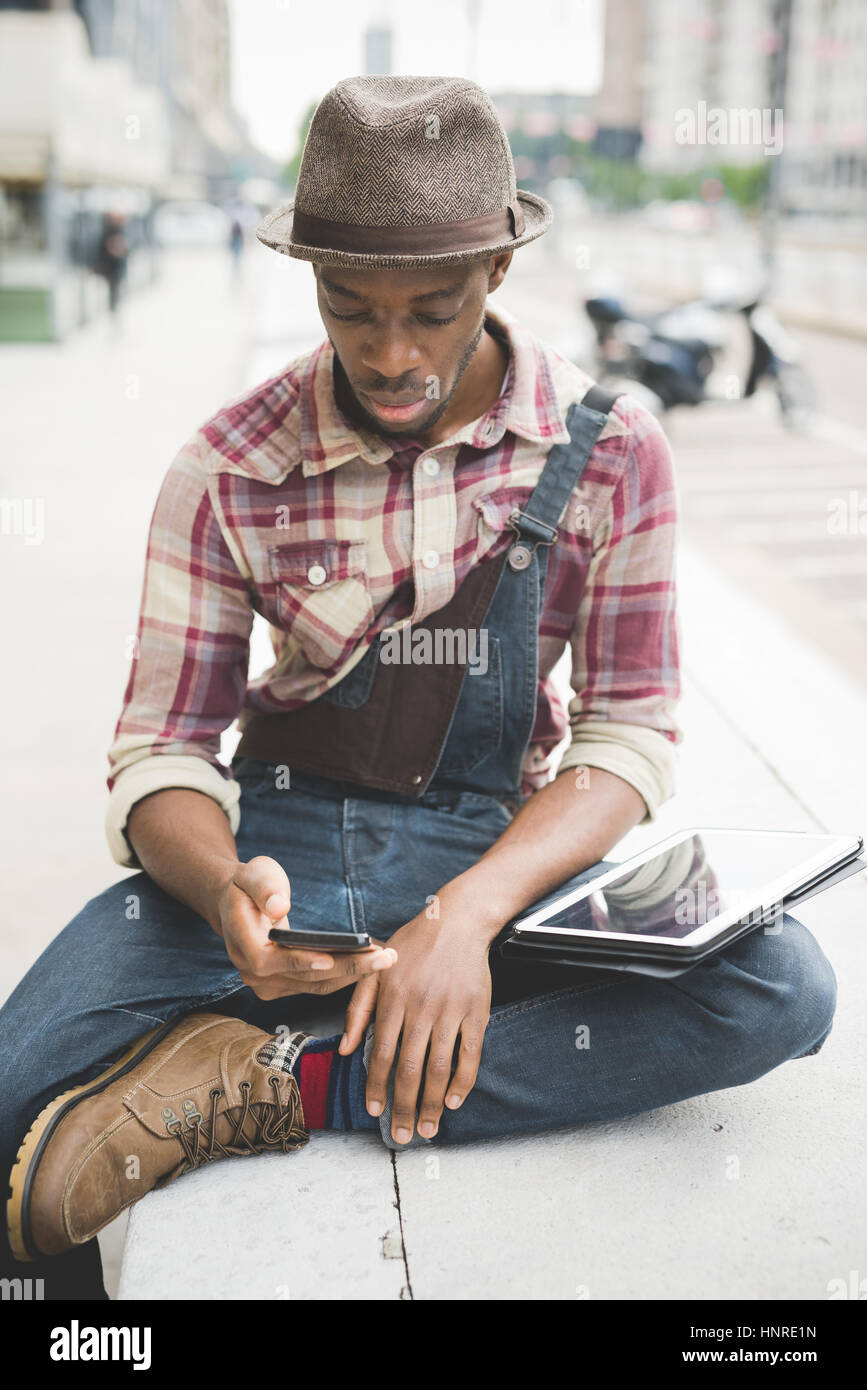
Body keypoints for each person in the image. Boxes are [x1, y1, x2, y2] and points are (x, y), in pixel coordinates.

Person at [1, 77, 836, 1301]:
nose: (392, 355)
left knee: (782, 985)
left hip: (499, 848)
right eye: (352, 308)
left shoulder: (613, 451)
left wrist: (467, 920)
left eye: (432, 311)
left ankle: (285, 1082)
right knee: (18, 1096)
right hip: (274, 857)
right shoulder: (228, 466)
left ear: (498, 268)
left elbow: (627, 740)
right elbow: (163, 756)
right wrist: (227, 886)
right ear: (311, 281)